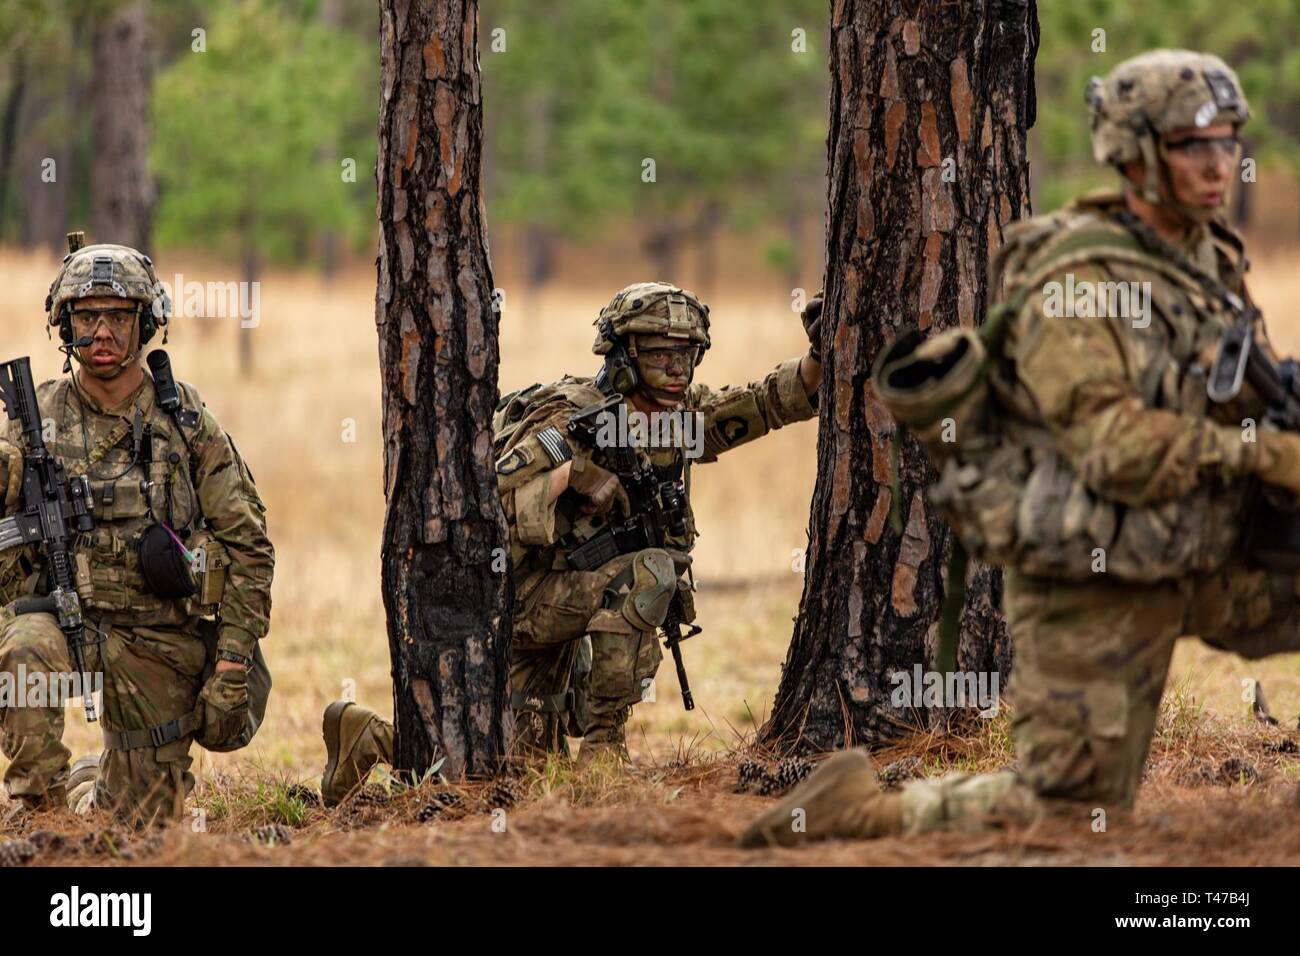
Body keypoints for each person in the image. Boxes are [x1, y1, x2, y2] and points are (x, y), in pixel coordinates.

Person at [742, 49, 1300, 847]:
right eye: (1192, 145)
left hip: (1204, 543)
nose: (1220, 164)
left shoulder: (1209, 259)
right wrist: (1262, 456)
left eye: (1229, 142)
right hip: (1097, 570)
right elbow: (1111, 449)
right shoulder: (1075, 279)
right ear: (1138, 151)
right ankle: (856, 810)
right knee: (1065, 816)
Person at [321, 281, 823, 804]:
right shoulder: (572, 420)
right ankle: (605, 748)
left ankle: (367, 736)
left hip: (570, 622)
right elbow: (482, 508)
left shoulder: (676, 420)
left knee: (510, 772)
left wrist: (817, 356)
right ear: (624, 357)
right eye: (659, 356)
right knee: (650, 573)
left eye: (687, 355)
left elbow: (762, 405)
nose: (677, 370)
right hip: (516, 606)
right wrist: (572, 477)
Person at [0, 237, 274, 828]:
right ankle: (43, 814)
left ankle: (89, 790)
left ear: (145, 323)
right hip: (57, 623)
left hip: (155, 639)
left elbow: (250, 547)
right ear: (63, 323)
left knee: (143, 826)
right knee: (24, 651)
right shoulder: (30, 422)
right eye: (86, 316)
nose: (100, 333)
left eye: (118, 317)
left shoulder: (186, 423)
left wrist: (231, 664)